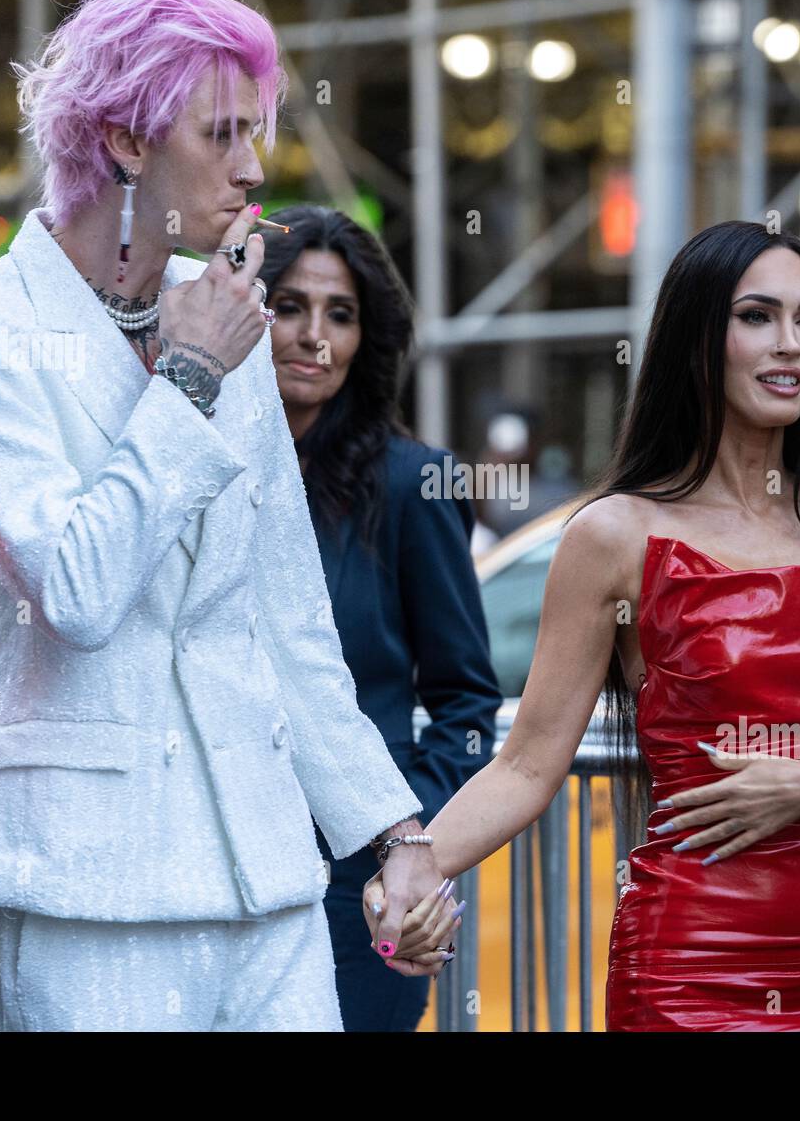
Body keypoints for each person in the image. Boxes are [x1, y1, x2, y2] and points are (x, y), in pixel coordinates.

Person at [0, 0, 452, 1032]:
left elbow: (285, 617)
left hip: (268, 882)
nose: (254, 165)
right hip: (89, 894)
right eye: (222, 132)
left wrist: (396, 833)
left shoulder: (222, 319)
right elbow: (76, 589)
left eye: (259, 131)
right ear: (123, 141)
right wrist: (187, 378)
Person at [366, 221, 800, 1029]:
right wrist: (411, 867)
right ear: (694, 339)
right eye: (757, 317)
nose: (791, 345)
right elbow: (526, 767)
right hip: (689, 965)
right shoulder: (613, 536)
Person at [262, 204, 500, 1030]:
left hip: (359, 895)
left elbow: (467, 705)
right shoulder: (201, 466)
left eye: (341, 314)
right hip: (219, 874)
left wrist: (407, 851)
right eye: (287, 305)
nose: (312, 335)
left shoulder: (412, 484)